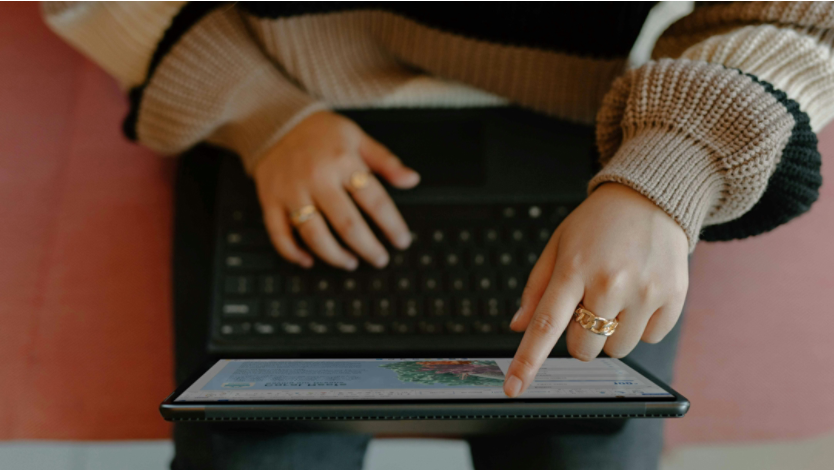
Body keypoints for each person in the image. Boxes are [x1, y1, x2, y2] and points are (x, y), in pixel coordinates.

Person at [43, 2, 827, 469]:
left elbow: (794, 14)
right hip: (284, 120)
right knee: (252, 448)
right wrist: (258, 114)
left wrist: (668, 172)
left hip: (589, 146)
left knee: (589, 441)